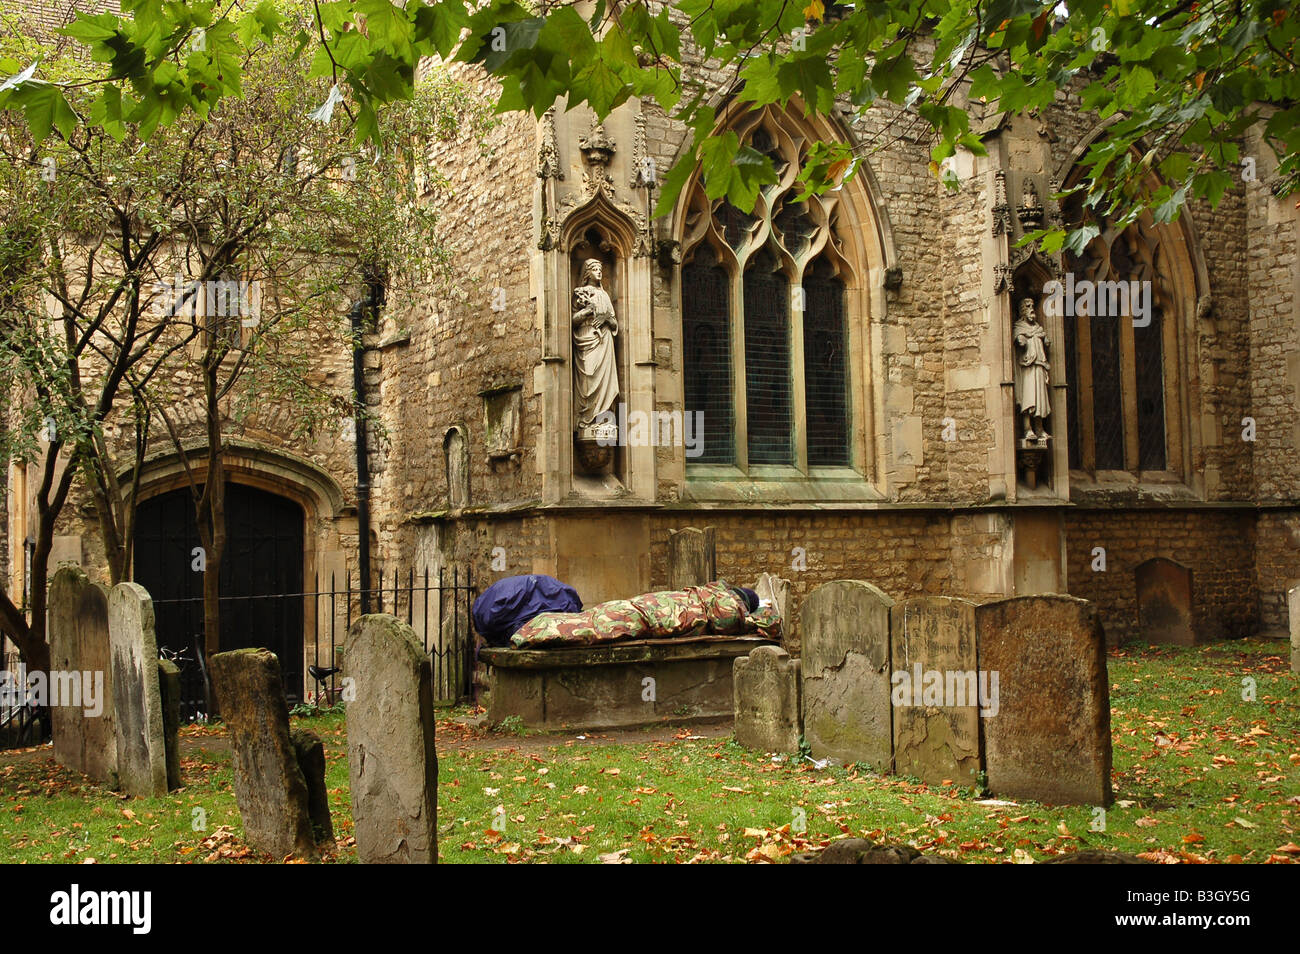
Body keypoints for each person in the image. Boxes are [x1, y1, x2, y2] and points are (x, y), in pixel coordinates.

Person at [572, 258, 619, 428]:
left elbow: (614, 323)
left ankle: (604, 418)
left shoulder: (604, 295)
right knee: (588, 379)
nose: (599, 272)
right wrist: (586, 312)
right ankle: (588, 418)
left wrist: (606, 318)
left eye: (600, 269)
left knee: (606, 382)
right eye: (595, 269)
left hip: (604, 340)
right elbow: (572, 320)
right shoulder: (580, 293)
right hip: (586, 339)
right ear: (587, 273)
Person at [1013, 297, 1051, 440]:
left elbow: (1044, 339)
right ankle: (1027, 428)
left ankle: (1040, 429)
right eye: (1028, 306)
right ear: (1022, 310)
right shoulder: (1019, 327)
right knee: (1029, 399)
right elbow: (1018, 339)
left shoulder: (1038, 328)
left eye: (1033, 306)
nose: (1032, 309)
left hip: (1040, 367)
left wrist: (1045, 340)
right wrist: (1020, 340)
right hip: (1027, 368)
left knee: (1040, 400)